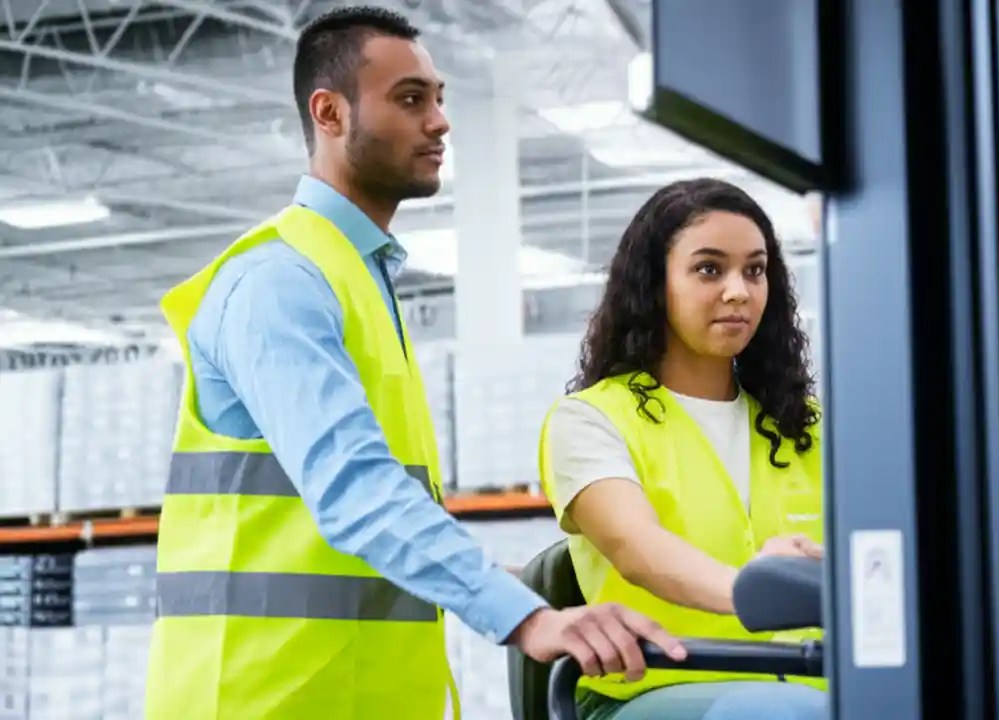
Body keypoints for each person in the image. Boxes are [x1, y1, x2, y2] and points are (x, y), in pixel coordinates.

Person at [143, 6, 683, 719]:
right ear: (329, 113)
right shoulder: (279, 283)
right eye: (410, 99)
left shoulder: (358, 279)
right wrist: (526, 619)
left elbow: (360, 538)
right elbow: (357, 490)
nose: (440, 121)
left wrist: (535, 583)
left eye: (440, 98)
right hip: (264, 700)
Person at [538, 178, 827, 720]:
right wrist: (758, 591)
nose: (739, 291)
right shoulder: (591, 420)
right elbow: (637, 548)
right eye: (709, 269)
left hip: (810, 684)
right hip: (653, 687)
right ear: (653, 285)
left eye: (756, 270)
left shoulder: (807, 424)